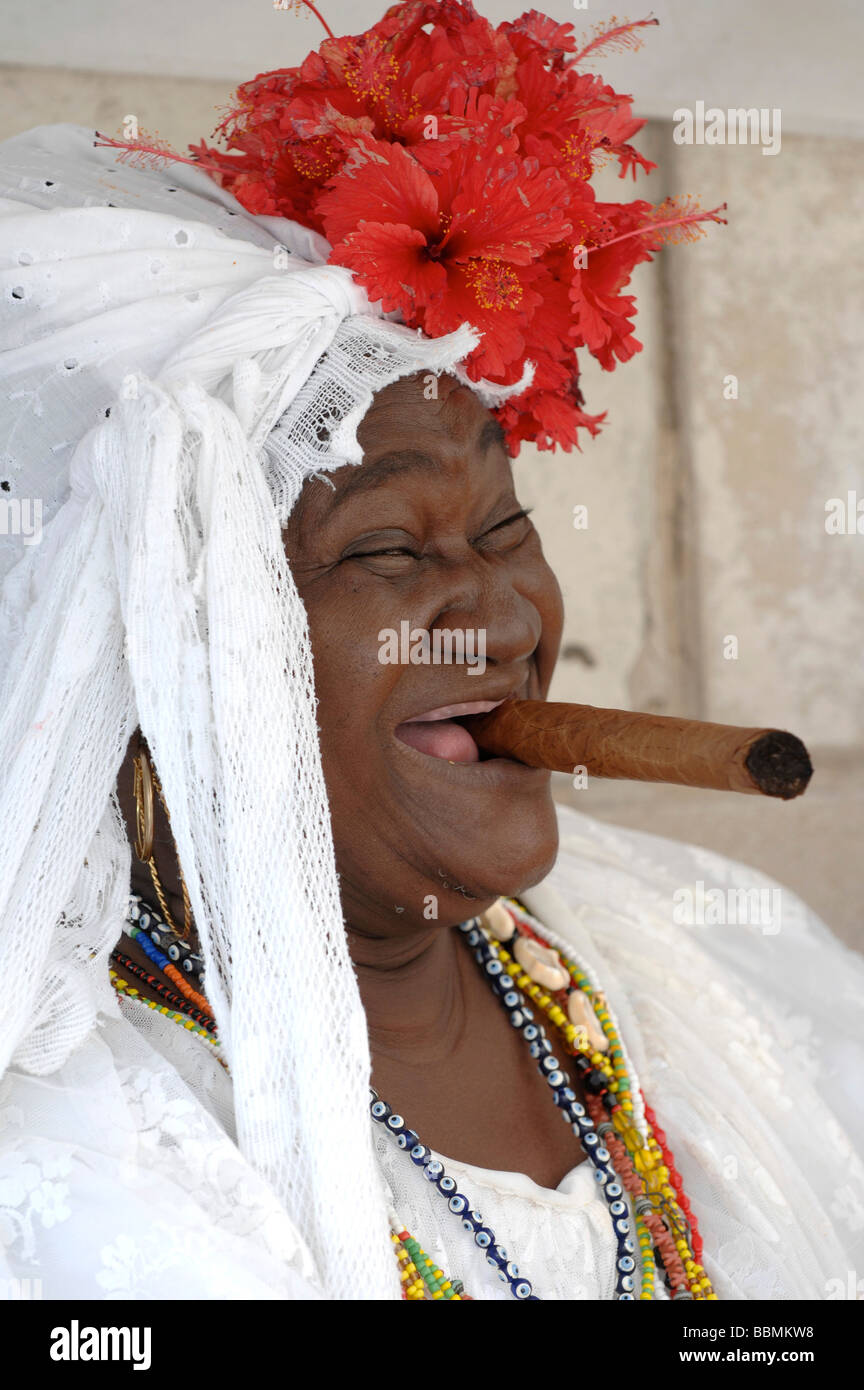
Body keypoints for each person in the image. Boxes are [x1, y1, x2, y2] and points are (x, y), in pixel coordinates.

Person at [1, 2, 862, 1303]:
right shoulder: (97, 1159)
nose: (508, 617)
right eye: (389, 550)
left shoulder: (698, 960)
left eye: (506, 524)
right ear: (163, 646)